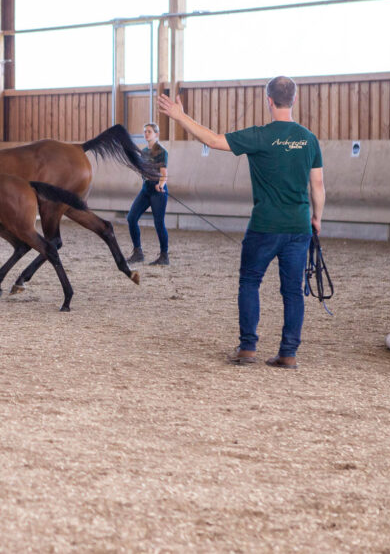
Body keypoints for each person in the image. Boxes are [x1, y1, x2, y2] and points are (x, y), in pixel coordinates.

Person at [157, 77, 325, 369]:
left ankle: (247, 348)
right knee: (293, 291)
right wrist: (317, 218)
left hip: (264, 225)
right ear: (294, 100)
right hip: (299, 226)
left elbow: (212, 139)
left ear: (268, 100)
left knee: (250, 282)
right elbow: (318, 186)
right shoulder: (309, 139)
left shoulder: (259, 136)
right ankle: (288, 353)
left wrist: (180, 117)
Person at [126, 123, 169, 266]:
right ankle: (138, 252)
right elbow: (143, 170)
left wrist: (160, 185)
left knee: (158, 223)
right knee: (131, 218)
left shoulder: (161, 151)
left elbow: (164, 174)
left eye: (149, 132)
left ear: (156, 134)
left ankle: (164, 255)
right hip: (146, 189)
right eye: (145, 132)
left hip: (158, 190)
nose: (146, 134)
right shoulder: (143, 152)